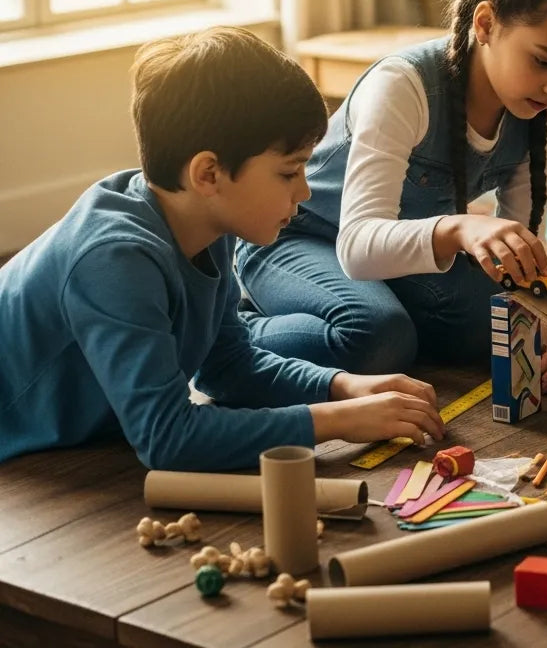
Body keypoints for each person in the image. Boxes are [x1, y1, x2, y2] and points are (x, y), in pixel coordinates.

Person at [0, 27, 444, 471]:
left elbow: (225, 365)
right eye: (289, 172)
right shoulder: (114, 259)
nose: (305, 192)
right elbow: (166, 439)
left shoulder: (206, 219)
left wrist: (341, 387)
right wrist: (336, 420)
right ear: (208, 174)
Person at [236, 0, 547, 388]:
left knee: (494, 329)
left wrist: (534, 328)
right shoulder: (403, 85)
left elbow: (525, 246)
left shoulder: (542, 109)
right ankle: (225, 337)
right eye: (543, 61)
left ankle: (383, 316)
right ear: (486, 24)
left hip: (397, 256)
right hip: (297, 237)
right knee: (378, 337)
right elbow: (358, 247)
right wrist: (459, 228)